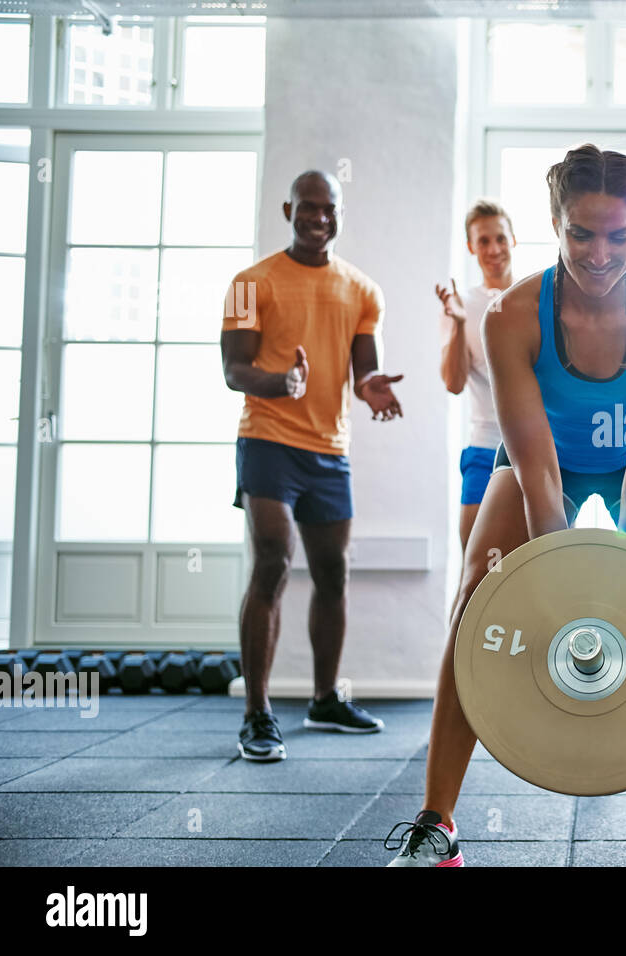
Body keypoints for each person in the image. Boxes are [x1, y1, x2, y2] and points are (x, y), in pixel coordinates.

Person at [386, 144, 626, 867]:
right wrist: (560, 596)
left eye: (619, 236)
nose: (600, 253)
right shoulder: (510, 316)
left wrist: (625, 591)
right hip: (544, 464)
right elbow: (536, 481)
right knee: (476, 596)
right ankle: (438, 823)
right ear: (555, 224)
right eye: (581, 233)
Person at [220, 170, 404, 763]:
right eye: (307, 208)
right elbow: (234, 370)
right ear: (287, 209)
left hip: (329, 450)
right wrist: (284, 381)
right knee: (273, 561)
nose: (318, 218)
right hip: (268, 440)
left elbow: (363, 371)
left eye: (328, 209)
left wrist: (373, 387)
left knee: (333, 573)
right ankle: (258, 713)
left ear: (339, 213)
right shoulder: (252, 283)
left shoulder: (362, 290)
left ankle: (325, 699)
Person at [437, 200, 514, 554]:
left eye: (500, 238)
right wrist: (459, 324)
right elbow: (453, 384)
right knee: (476, 564)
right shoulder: (460, 304)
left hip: (540, 448)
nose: (494, 249)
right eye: (483, 241)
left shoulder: (539, 296)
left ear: (514, 239)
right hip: (485, 445)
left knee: (541, 565)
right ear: (471, 247)